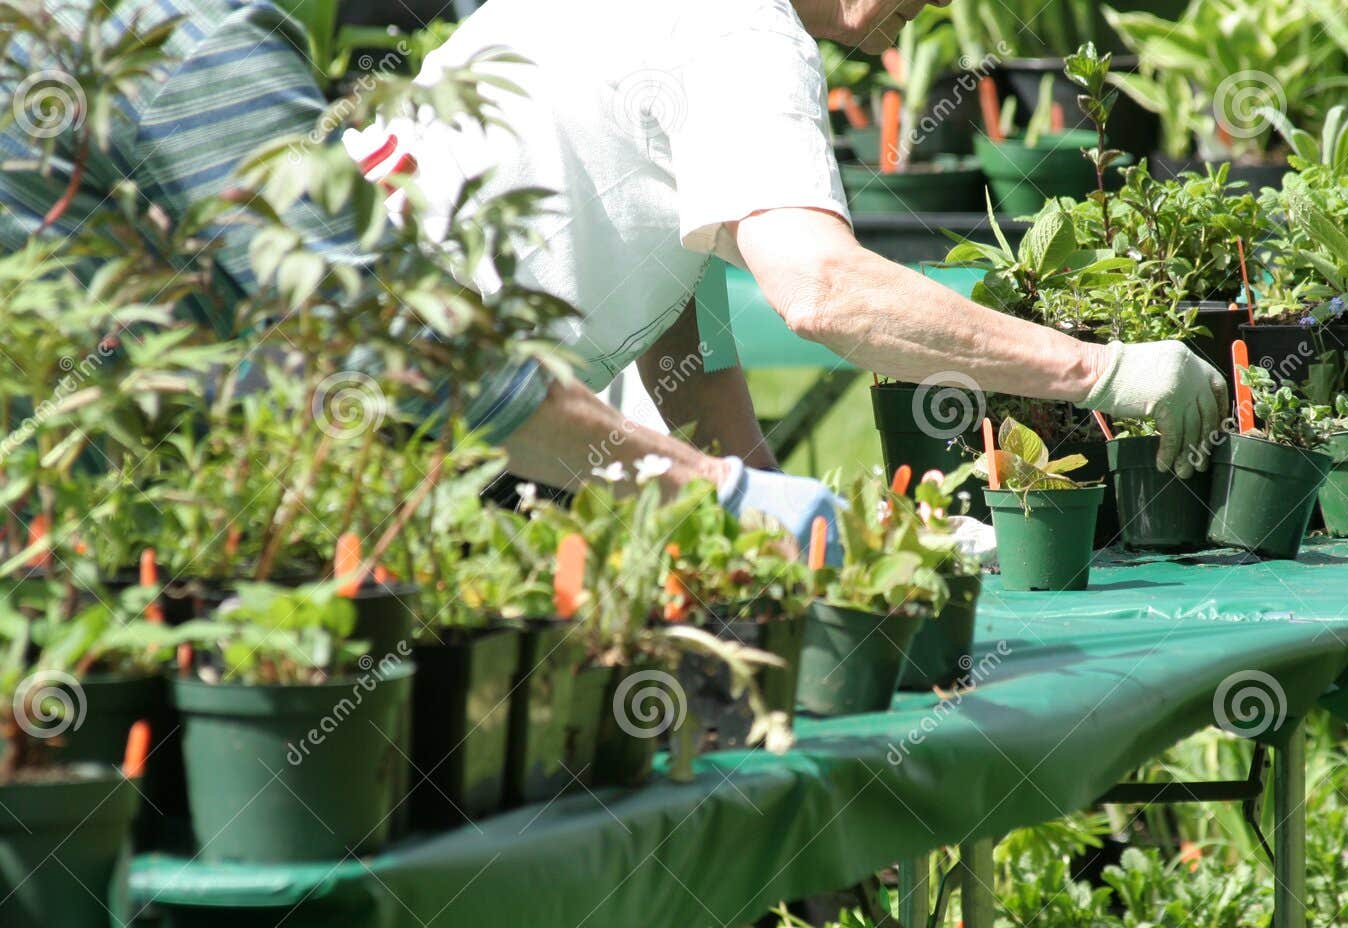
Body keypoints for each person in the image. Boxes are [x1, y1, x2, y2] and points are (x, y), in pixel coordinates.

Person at [2, 0, 1226, 554]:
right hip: (416, 432)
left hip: (334, 433)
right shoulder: (747, 30)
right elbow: (823, 292)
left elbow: (687, 358)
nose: (931, 15)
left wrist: (779, 517)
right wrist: (1101, 367)